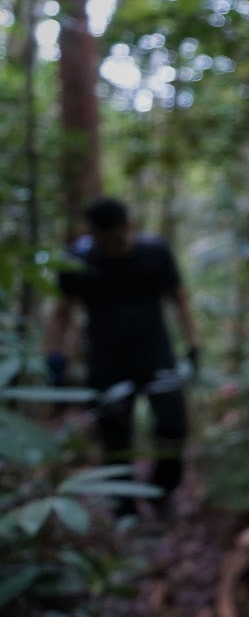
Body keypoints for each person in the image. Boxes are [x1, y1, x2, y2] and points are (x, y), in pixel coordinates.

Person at [45, 198, 201, 519]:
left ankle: (163, 491)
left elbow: (179, 299)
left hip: (157, 355)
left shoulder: (154, 252)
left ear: (130, 227)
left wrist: (193, 345)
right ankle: (124, 508)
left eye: (119, 236)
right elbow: (62, 313)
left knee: (173, 425)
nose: (115, 244)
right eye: (105, 238)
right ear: (93, 234)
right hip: (106, 360)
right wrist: (55, 358)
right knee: (115, 436)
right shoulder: (78, 260)